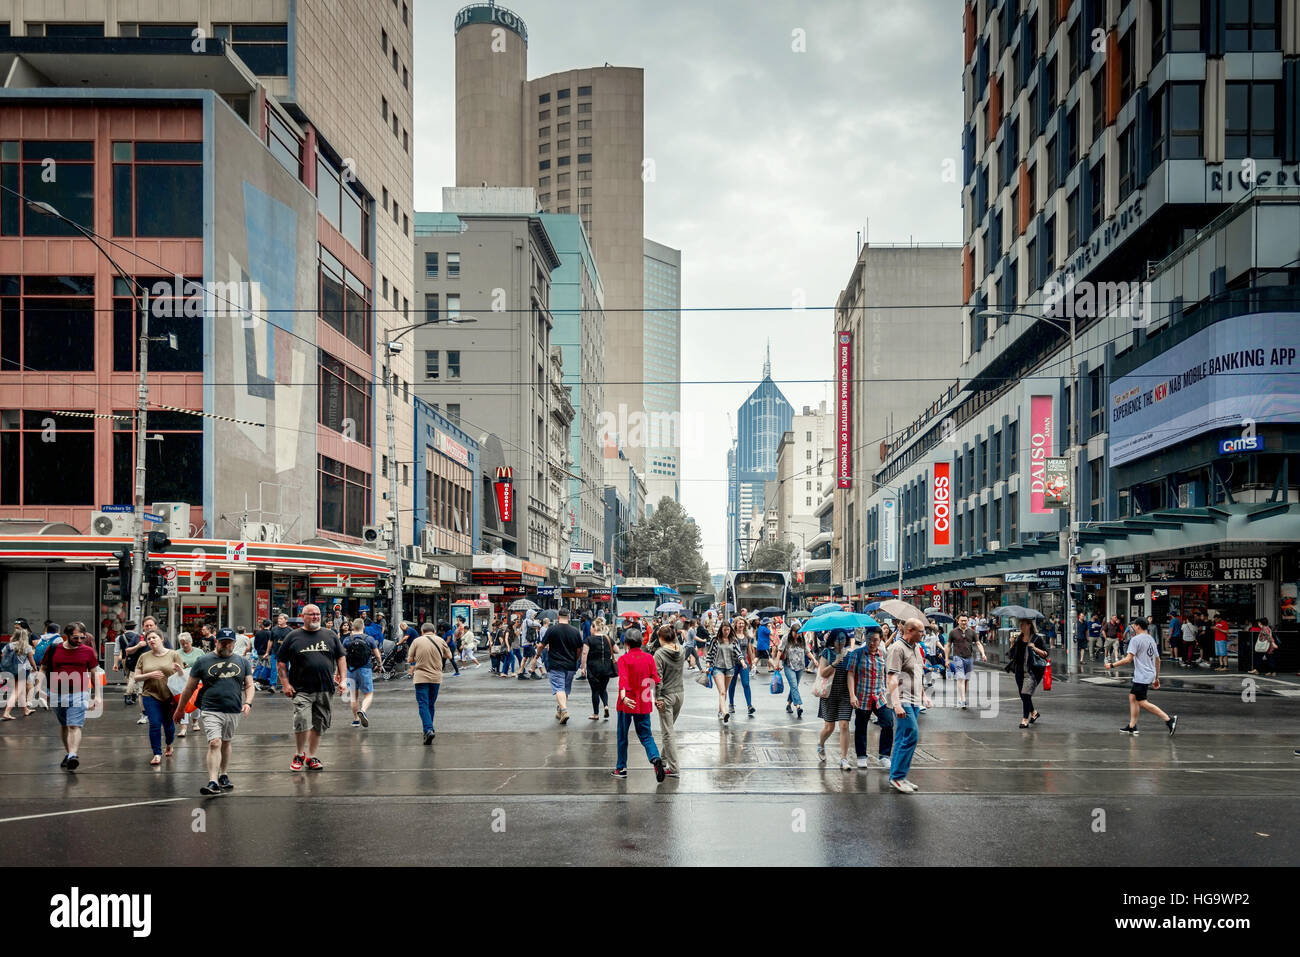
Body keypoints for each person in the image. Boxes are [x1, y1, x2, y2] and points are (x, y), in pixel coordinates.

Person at [176, 626, 254, 795]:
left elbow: (249, 685)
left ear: (234, 643)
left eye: (229, 642)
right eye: (222, 642)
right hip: (210, 708)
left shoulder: (242, 662)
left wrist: (248, 702)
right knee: (215, 742)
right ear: (216, 642)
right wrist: (180, 709)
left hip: (233, 708)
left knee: (226, 741)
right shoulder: (203, 661)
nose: (226, 645)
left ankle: (223, 774)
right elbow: (189, 688)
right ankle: (213, 781)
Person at [276, 604, 346, 771]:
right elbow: (281, 662)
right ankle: (299, 754)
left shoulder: (330, 635)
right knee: (301, 720)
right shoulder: (293, 636)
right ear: (303, 616)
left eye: (317, 614)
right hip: (301, 689)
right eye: (311, 614)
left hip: (325, 688)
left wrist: (343, 679)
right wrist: (285, 684)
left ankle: (311, 756)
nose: (315, 617)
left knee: (320, 724)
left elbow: (341, 657)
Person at [41, 622, 101, 771]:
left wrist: (98, 695)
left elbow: (94, 673)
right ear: (66, 636)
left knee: (74, 725)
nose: (79, 641)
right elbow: (43, 669)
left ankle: (73, 754)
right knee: (64, 725)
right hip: (56, 693)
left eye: (82, 637)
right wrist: (39, 688)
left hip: (79, 693)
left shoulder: (87, 651)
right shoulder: (54, 649)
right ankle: (69, 755)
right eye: (75, 638)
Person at [1106, 617, 1177, 736]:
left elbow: (1128, 659)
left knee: (1142, 702)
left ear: (1138, 626)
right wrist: (1156, 678)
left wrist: (1112, 665)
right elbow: (1158, 660)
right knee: (1132, 697)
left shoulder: (1135, 640)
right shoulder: (1151, 639)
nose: (1133, 627)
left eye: (1134, 625)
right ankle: (1132, 726)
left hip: (1142, 676)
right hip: (1149, 674)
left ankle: (1169, 719)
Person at [611, 628, 665, 781]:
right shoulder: (649, 658)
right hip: (644, 700)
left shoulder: (624, 659)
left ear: (626, 643)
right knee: (646, 735)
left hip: (627, 701)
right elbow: (655, 679)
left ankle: (621, 768)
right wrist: (656, 698)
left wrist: (623, 697)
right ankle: (655, 758)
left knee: (622, 736)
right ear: (641, 642)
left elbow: (623, 679)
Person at [886, 618, 931, 793]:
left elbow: (917, 674)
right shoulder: (897, 648)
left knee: (902, 738)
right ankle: (898, 776)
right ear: (910, 630)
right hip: (902, 698)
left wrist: (924, 696)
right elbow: (892, 678)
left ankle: (898, 777)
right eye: (921, 631)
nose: (923, 634)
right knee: (912, 734)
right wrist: (896, 704)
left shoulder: (916, 648)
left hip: (914, 699)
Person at [132, 630, 184, 766]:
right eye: (148, 639)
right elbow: (136, 677)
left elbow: (182, 676)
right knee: (154, 724)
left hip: (169, 695)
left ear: (161, 639)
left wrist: (179, 670)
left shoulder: (173, 654)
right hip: (150, 694)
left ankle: (169, 744)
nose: (151, 640)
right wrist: (149, 675)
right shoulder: (144, 656)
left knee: (168, 725)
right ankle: (156, 753)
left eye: (154, 637)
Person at [847, 627, 894, 769]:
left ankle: (884, 756)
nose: (872, 643)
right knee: (861, 727)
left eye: (875, 640)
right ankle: (861, 756)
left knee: (888, 723)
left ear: (880, 640)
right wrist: (852, 695)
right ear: (865, 638)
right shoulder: (857, 654)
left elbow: (886, 673)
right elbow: (850, 674)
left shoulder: (882, 654)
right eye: (869, 640)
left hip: (879, 696)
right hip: (862, 696)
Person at [815, 630, 854, 771]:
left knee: (844, 725)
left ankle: (844, 758)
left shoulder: (849, 654)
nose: (841, 642)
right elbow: (822, 673)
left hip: (844, 694)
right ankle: (821, 744)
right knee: (829, 727)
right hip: (829, 694)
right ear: (833, 640)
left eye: (843, 639)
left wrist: (852, 695)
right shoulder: (826, 653)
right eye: (838, 639)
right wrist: (834, 664)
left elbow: (850, 675)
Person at [409, 622, 453, 744]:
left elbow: (410, 659)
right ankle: (429, 729)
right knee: (431, 704)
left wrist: (420, 657)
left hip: (421, 677)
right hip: (436, 678)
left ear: (422, 631)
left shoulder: (416, 641)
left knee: (423, 704)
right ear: (434, 631)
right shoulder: (441, 640)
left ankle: (428, 729)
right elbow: (449, 656)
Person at [538, 608, 584, 724]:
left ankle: (564, 710)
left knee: (559, 688)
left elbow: (541, 645)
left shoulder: (552, 630)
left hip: (556, 664)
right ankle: (559, 710)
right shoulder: (575, 631)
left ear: (558, 617)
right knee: (565, 689)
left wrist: (537, 655)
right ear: (569, 617)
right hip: (570, 664)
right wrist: (575, 659)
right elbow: (579, 648)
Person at [652, 625, 685, 776]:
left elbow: (657, 679)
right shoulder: (681, 650)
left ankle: (674, 767)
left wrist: (657, 697)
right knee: (669, 730)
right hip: (680, 694)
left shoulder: (659, 654)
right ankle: (664, 759)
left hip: (665, 696)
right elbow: (675, 641)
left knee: (667, 733)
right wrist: (670, 629)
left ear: (661, 638)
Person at [1004, 618, 1049, 729]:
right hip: (1019, 670)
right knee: (1022, 694)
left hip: (1033, 671)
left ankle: (1025, 719)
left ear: (1029, 625)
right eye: (1020, 624)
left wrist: (1034, 648)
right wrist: (1012, 643)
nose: (1020, 626)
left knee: (1025, 694)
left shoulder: (1037, 639)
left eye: (1023, 624)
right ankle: (1033, 712)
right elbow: (1011, 655)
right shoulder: (1019, 638)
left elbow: (1045, 654)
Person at [344, 617, 383, 728]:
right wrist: (379, 665)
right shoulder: (369, 639)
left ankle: (356, 720)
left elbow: (342, 657)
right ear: (363, 627)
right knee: (368, 694)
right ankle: (363, 710)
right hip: (365, 669)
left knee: (353, 696)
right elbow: (377, 655)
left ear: (352, 627)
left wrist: (339, 672)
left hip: (351, 670)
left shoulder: (347, 640)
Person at [944, 614, 985, 710]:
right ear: (958, 621)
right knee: (961, 678)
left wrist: (983, 654)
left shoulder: (972, 632)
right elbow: (948, 645)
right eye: (962, 620)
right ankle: (963, 700)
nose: (963, 622)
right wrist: (946, 659)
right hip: (958, 657)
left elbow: (978, 643)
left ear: (967, 621)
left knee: (966, 679)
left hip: (969, 658)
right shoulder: (953, 632)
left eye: (965, 620)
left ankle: (962, 697)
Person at [580, 615, 617, 720]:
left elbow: (584, 654)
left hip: (593, 669)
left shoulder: (589, 640)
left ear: (594, 627)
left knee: (595, 691)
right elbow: (617, 650)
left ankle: (596, 714)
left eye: (591, 628)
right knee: (603, 689)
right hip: (606, 668)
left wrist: (583, 667)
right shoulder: (608, 639)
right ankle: (606, 705)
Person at [1, 624, 37, 719]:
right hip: (22, 670)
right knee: (17, 691)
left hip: (10, 670)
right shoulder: (27, 646)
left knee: (21, 691)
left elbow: (3, 656)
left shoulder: (8, 646)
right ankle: (7, 712)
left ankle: (26, 710)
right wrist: (35, 667)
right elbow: (31, 660)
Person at [704, 622, 737, 722]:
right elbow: (710, 653)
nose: (726, 632)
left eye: (728, 630)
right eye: (724, 630)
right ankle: (725, 713)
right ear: (721, 630)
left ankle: (720, 711)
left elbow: (738, 653)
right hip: (717, 668)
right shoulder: (715, 640)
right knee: (722, 691)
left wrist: (743, 662)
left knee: (724, 692)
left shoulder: (733, 640)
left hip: (729, 668)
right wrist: (708, 665)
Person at [774, 622, 807, 719]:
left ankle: (789, 704)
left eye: (799, 633)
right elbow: (780, 651)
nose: (797, 635)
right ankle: (798, 707)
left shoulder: (802, 639)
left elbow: (807, 651)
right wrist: (777, 663)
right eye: (795, 633)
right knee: (794, 685)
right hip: (788, 665)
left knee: (794, 686)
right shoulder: (786, 638)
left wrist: (814, 660)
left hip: (800, 666)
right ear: (791, 631)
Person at [728, 617, 756, 717]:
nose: (741, 625)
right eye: (739, 623)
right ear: (735, 624)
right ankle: (731, 704)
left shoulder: (746, 636)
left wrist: (752, 662)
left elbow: (749, 650)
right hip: (733, 663)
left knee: (746, 684)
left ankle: (749, 706)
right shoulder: (731, 636)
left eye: (743, 623)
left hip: (744, 664)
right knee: (732, 684)